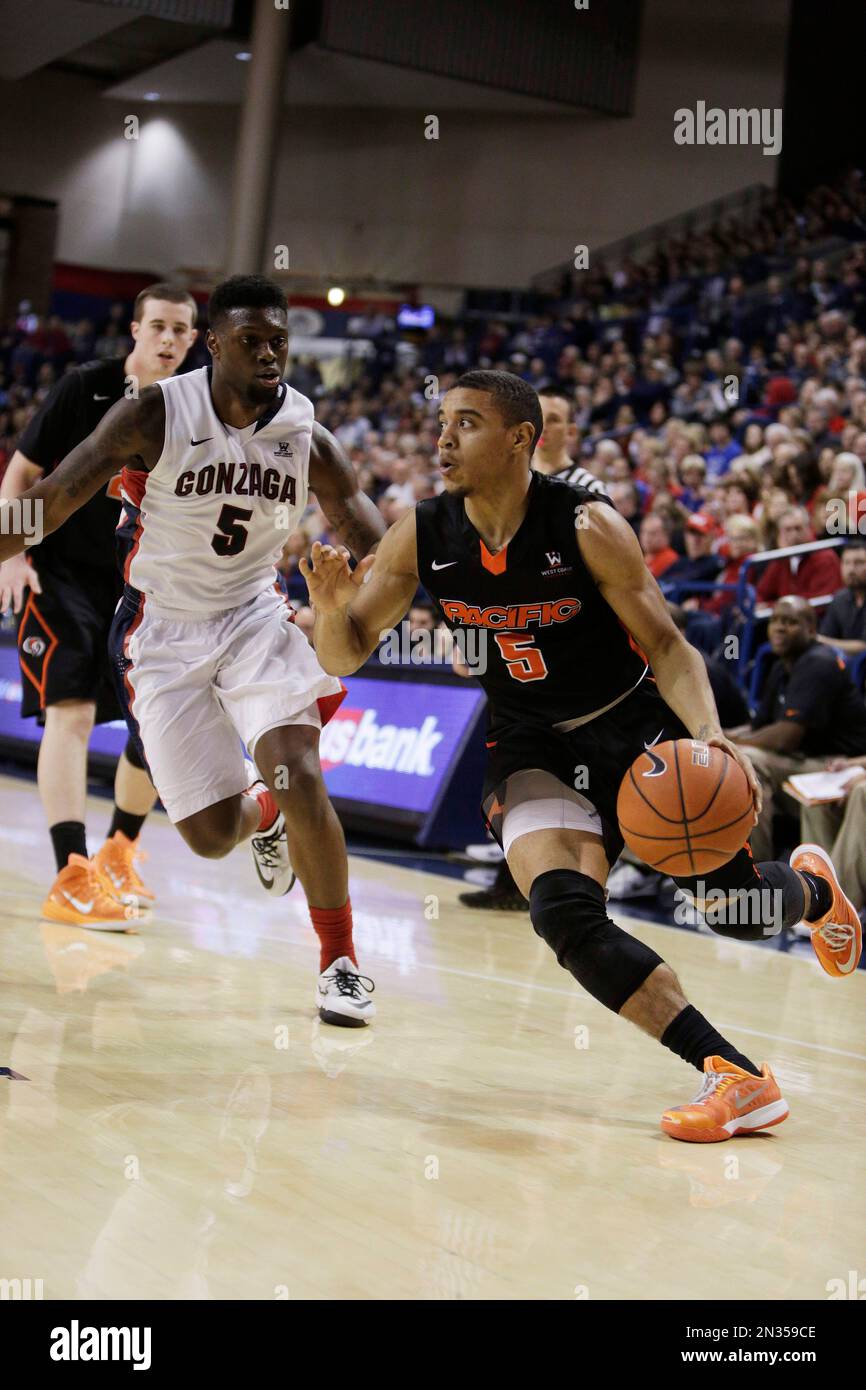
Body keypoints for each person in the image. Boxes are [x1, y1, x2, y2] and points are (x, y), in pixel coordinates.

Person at [300, 369, 860, 1142]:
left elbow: (668, 644)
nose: (443, 438)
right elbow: (349, 649)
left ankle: (814, 896)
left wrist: (711, 736)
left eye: (466, 423)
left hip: (629, 728)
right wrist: (331, 610)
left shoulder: (587, 524)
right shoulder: (425, 532)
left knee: (735, 912)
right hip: (528, 739)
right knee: (563, 913)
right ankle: (733, 1075)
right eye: (443, 422)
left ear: (520, 439)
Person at [0, 274, 385, 1026]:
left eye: (279, 340)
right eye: (251, 341)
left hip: (253, 617)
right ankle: (259, 810)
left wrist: (402, 586)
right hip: (163, 631)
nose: (270, 354)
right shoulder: (152, 412)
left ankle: (338, 962)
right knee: (209, 837)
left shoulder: (305, 431)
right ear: (213, 345)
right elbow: (50, 500)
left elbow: (370, 535)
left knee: (300, 769)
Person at [0, 284, 198, 926]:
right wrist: (10, 553)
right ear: (136, 330)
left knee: (152, 728)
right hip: (59, 574)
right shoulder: (83, 387)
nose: (169, 339)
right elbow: (22, 473)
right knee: (73, 713)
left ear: (195, 340)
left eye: (181, 330)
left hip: (142, 584)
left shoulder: (195, 407)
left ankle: (119, 850)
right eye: (159, 326)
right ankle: (70, 872)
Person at [727, 596, 866, 861]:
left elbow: (785, 737)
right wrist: (722, 735)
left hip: (834, 763)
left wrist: (732, 740)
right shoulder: (781, 666)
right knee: (733, 754)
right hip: (805, 762)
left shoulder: (818, 662)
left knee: (750, 762)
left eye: (790, 622)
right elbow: (759, 727)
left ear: (812, 630)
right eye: (776, 621)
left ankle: (758, 870)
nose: (779, 628)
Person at [755, 506, 842, 604]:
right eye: (788, 530)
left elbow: (819, 601)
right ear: (779, 533)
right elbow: (761, 593)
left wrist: (775, 607)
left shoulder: (825, 557)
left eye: (798, 528)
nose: (793, 535)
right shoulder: (781, 559)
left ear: (809, 529)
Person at [532, 388, 608, 494]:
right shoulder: (512, 475)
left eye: (553, 419)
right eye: (537, 416)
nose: (542, 426)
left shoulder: (590, 488)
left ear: (571, 431)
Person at [816, 541, 866, 655]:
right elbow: (826, 635)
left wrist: (819, 640)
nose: (851, 569)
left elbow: (864, 647)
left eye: (859, 563)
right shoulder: (840, 598)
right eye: (846, 563)